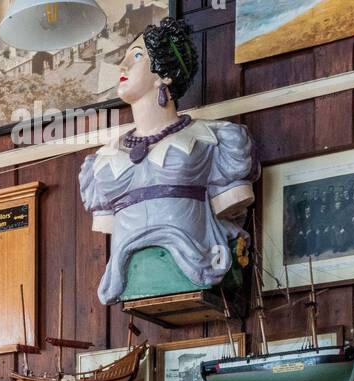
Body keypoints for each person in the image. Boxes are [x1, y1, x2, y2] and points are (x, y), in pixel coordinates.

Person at [80, 17, 259, 306]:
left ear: (164, 74)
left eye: (136, 56)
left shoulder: (214, 140)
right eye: (124, 59)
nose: (122, 67)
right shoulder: (101, 161)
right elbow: (105, 222)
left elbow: (233, 201)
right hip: (129, 274)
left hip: (195, 262)